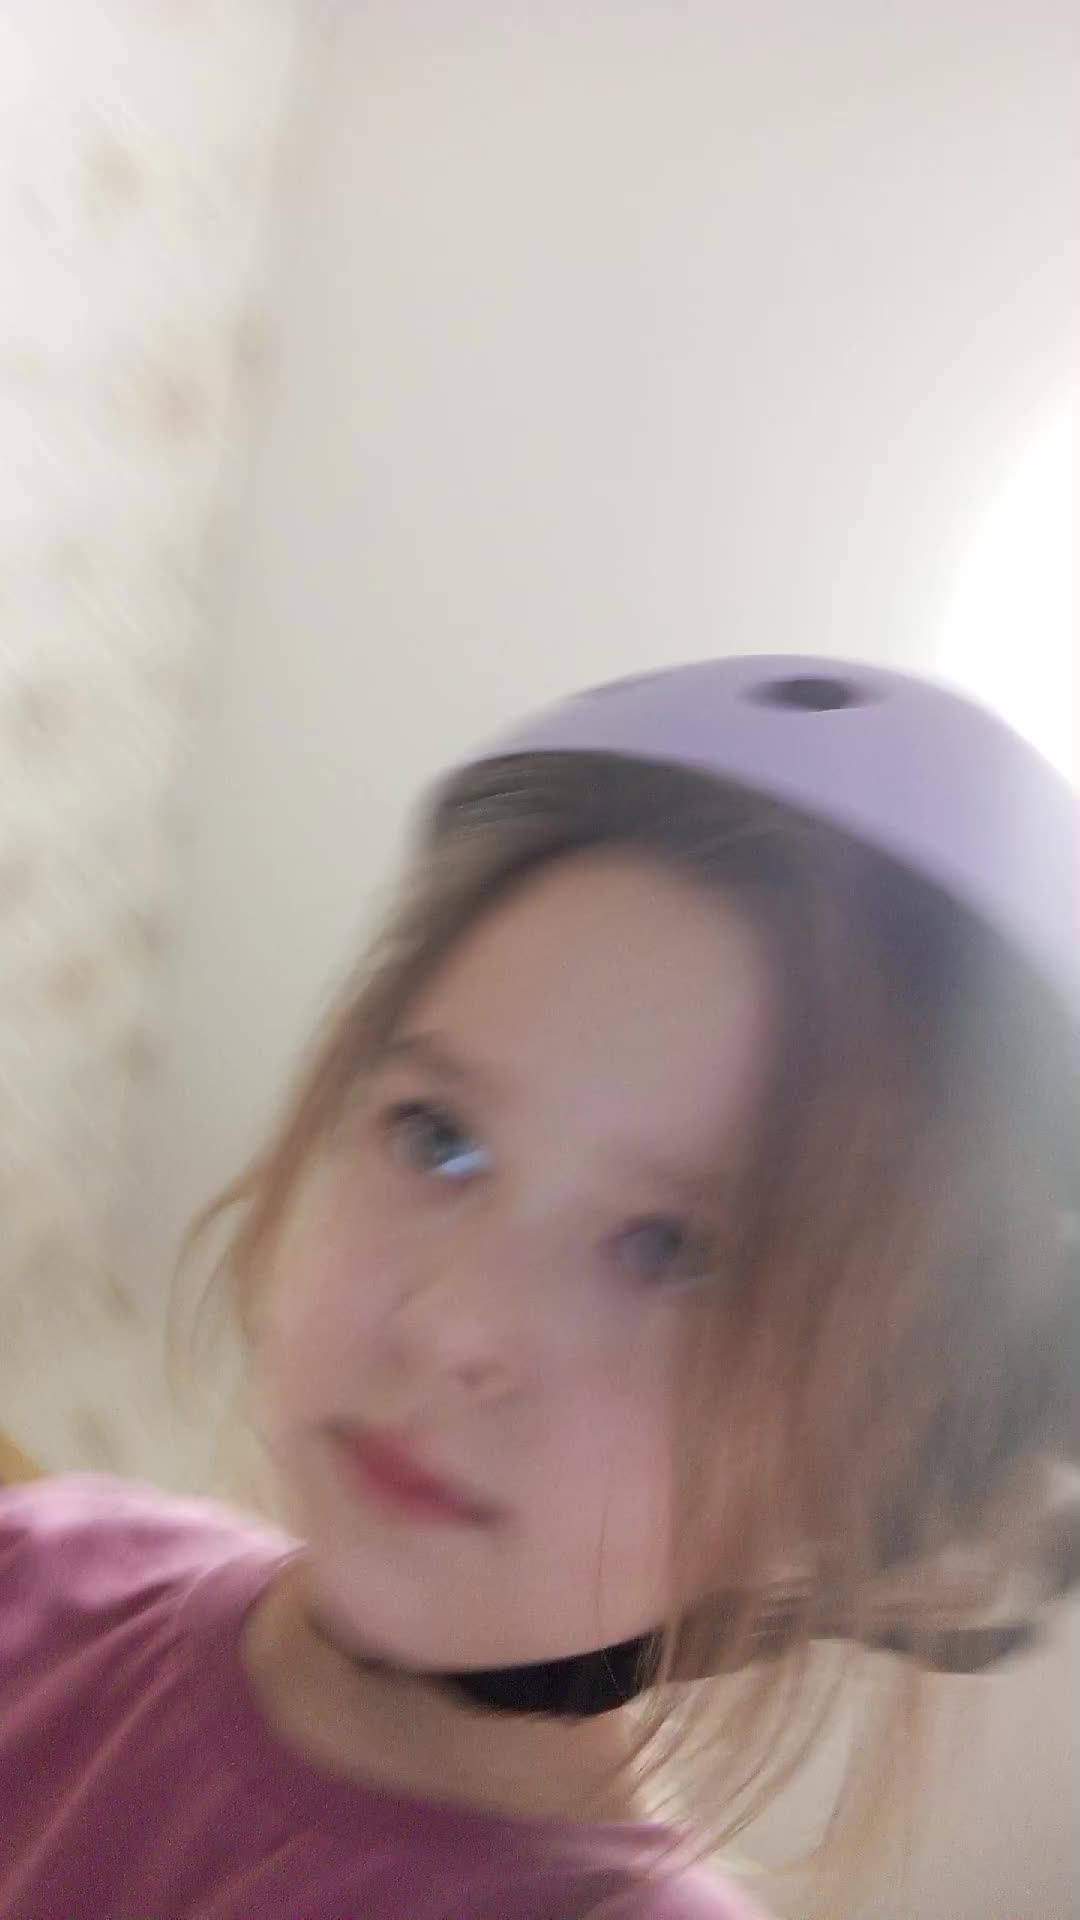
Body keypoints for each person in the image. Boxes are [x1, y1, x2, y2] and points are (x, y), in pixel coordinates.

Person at [1, 654, 1077, 1920]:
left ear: (865, 1473)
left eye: (674, 1253)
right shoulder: (47, 1563)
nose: (453, 1324)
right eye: (437, 1138)